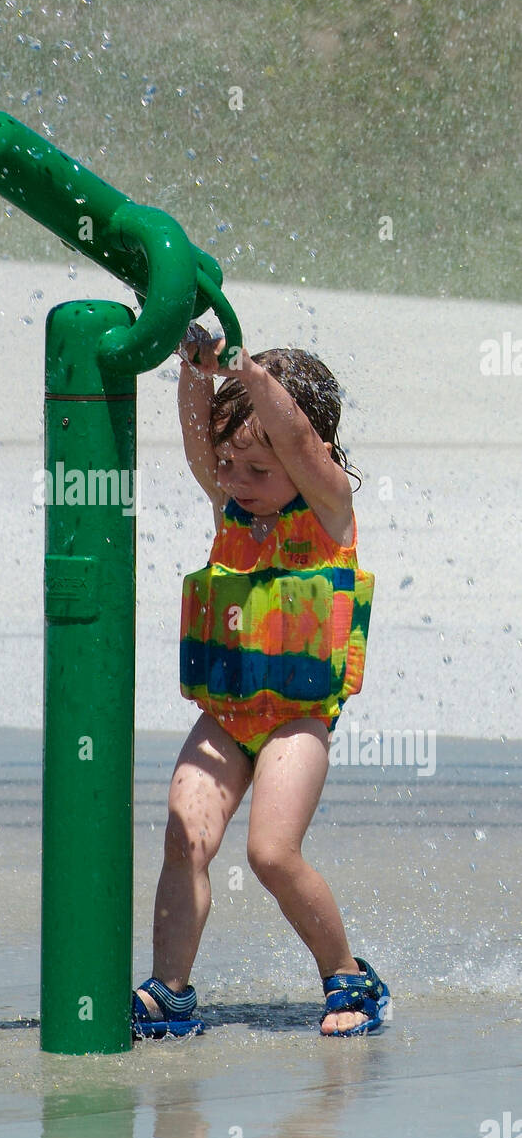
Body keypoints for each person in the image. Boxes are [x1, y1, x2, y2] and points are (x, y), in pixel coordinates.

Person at [132, 326, 390, 1038]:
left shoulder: (329, 508)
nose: (236, 483)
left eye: (256, 470)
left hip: (297, 720)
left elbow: (296, 439)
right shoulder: (231, 506)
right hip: (225, 716)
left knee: (270, 853)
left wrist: (242, 368)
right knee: (184, 840)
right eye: (228, 465)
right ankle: (171, 992)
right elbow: (194, 435)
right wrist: (194, 369)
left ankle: (347, 977)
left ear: (314, 454)